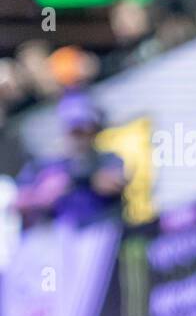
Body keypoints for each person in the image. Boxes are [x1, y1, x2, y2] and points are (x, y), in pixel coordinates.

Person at [15, 93, 125, 229]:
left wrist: (73, 180)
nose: (79, 135)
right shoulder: (45, 163)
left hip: (100, 228)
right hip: (57, 234)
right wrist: (41, 197)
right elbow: (18, 202)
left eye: (84, 129)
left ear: (94, 129)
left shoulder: (107, 157)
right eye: (74, 129)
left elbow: (112, 183)